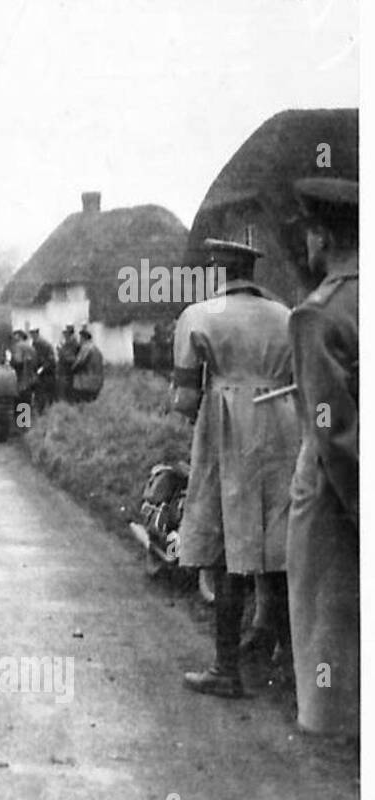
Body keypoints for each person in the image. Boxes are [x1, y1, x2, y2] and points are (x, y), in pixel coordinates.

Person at [174, 239, 299, 699]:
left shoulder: (200, 316)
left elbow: (185, 399)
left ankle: (226, 669)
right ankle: (292, 668)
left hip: (228, 427)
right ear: (251, 270)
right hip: (284, 423)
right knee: (279, 541)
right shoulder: (287, 315)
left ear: (217, 273)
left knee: (230, 543)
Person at [285, 177, 359, 736]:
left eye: (309, 231)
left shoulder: (319, 314)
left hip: (341, 496)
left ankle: (338, 728)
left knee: (330, 620)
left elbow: (333, 429)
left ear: (322, 236)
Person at [69, 329, 103, 402]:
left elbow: (80, 362)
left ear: (83, 338)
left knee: (82, 402)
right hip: (97, 381)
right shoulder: (96, 348)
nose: (79, 340)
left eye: (80, 338)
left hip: (86, 383)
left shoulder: (86, 348)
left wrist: (71, 370)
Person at [30, 328, 57, 410]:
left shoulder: (42, 344)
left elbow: (50, 360)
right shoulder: (35, 343)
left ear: (37, 333)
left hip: (47, 373)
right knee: (40, 394)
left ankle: (44, 411)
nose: (32, 336)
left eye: (33, 333)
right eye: (31, 334)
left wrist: (40, 370)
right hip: (42, 372)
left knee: (44, 394)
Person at [10, 330, 37, 406]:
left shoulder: (18, 346)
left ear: (19, 336)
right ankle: (25, 417)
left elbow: (18, 361)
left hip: (21, 378)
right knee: (26, 401)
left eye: (15, 336)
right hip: (31, 377)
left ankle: (19, 417)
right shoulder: (31, 347)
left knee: (19, 401)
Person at [56, 325, 79, 401]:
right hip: (64, 368)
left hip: (68, 369)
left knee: (67, 387)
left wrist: (61, 352)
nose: (64, 335)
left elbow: (71, 357)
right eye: (64, 333)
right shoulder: (67, 342)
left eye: (66, 333)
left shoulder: (73, 343)